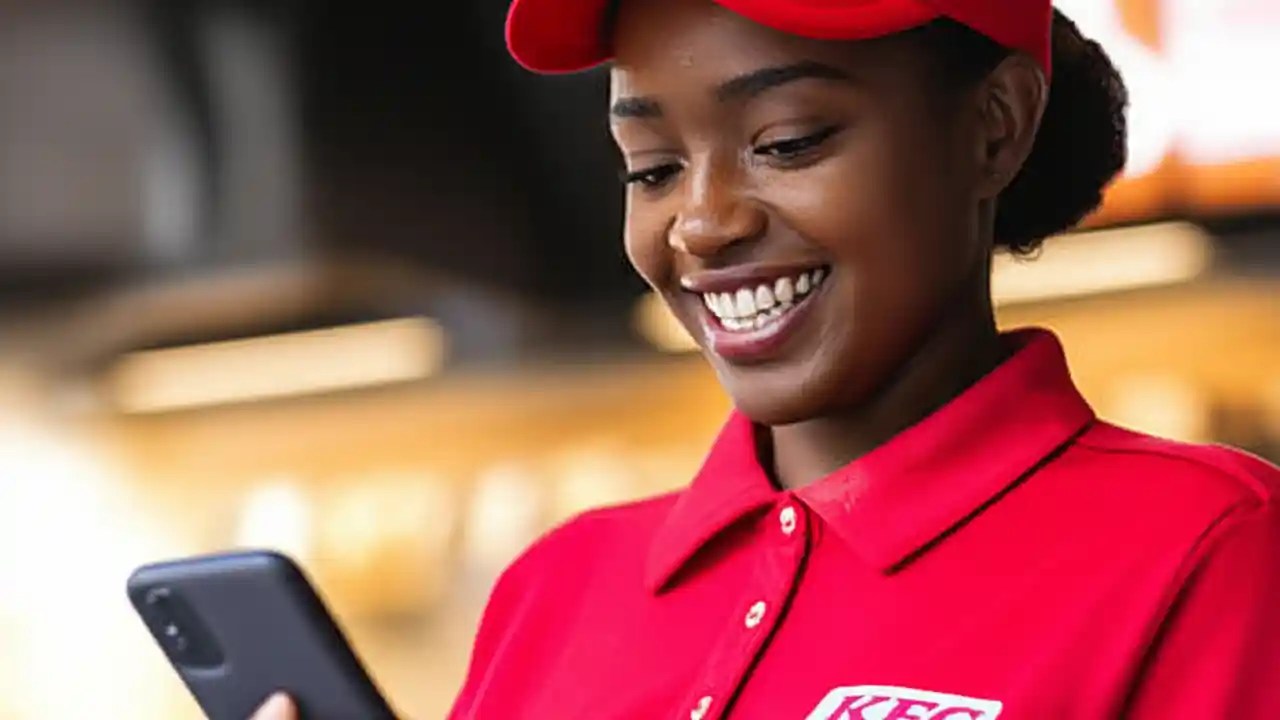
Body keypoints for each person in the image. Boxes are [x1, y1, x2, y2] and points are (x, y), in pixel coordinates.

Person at [254, 0, 1280, 718]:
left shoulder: (1210, 550)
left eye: (786, 142)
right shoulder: (554, 591)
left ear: (993, 129)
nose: (700, 223)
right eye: (651, 167)